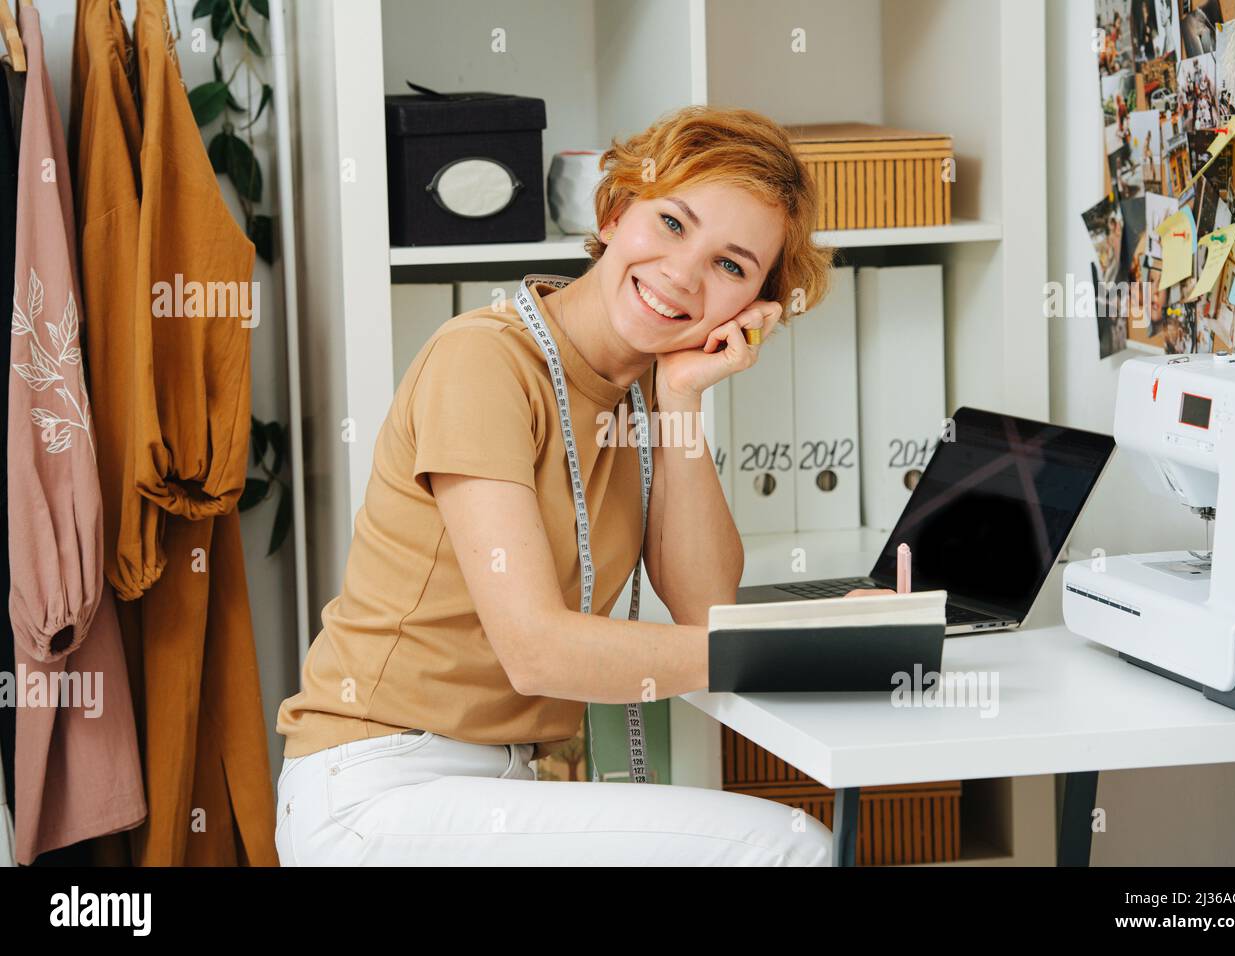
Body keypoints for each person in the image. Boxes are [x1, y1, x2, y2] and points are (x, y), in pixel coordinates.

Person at [274, 106, 888, 866]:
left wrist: (683, 399)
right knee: (786, 847)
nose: (682, 273)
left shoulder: (643, 401)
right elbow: (536, 650)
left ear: (757, 309)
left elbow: (706, 609)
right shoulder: (485, 362)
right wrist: (800, 648)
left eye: (731, 266)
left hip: (494, 784)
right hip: (376, 791)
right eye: (671, 223)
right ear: (616, 209)